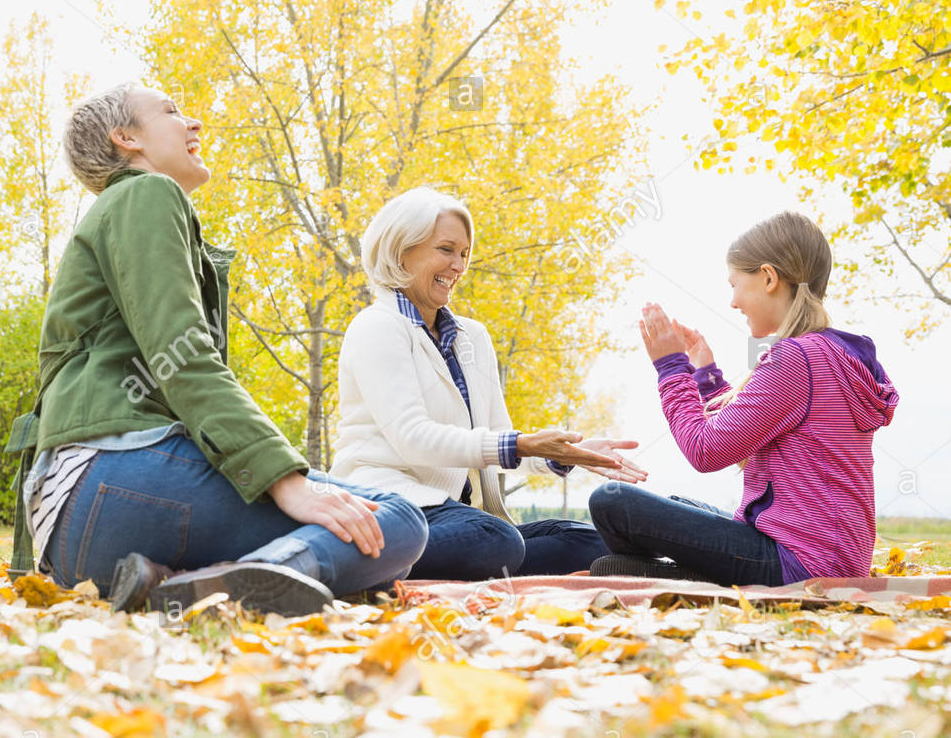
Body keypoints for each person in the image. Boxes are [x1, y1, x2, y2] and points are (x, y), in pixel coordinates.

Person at [6, 82, 429, 617]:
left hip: (71, 535)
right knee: (395, 519)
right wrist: (286, 481)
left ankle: (180, 584)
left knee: (374, 528)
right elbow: (183, 356)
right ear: (126, 138)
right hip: (109, 480)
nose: (193, 123)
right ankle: (264, 577)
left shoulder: (120, 213)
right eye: (171, 111)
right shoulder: (147, 193)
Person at [330, 187, 646, 581]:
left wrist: (564, 454)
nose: (459, 266)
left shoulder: (472, 337)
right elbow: (412, 437)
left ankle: (458, 563)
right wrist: (519, 444)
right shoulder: (376, 327)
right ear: (400, 251)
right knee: (495, 540)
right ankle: (357, 558)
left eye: (463, 253)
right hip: (392, 504)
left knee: (591, 542)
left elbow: (497, 439)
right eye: (446, 249)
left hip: (463, 518)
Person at [587, 210, 899, 585]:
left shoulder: (796, 358)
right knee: (684, 507)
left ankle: (677, 575)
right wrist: (705, 372)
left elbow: (706, 451)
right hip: (834, 557)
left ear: (768, 278)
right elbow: (750, 429)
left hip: (799, 564)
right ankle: (681, 571)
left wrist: (671, 367)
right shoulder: (834, 354)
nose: (733, 302)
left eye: (735, 284)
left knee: (611, 502)